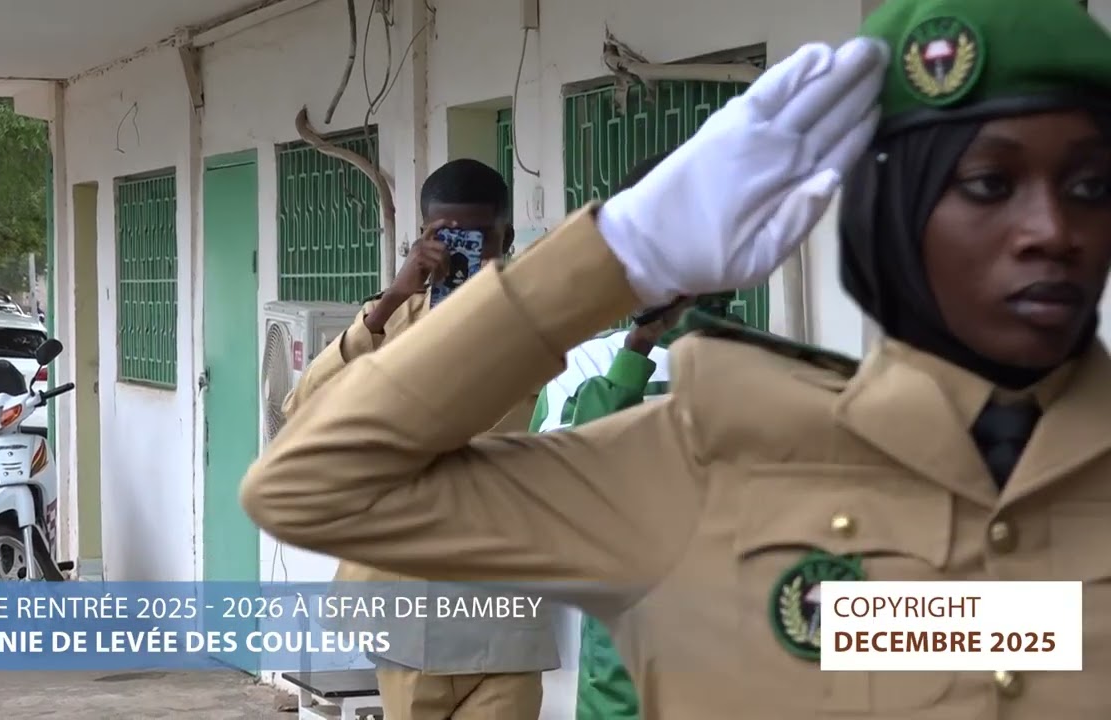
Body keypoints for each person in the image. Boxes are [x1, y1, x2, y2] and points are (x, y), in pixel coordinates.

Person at [243, 0, 1111, 715]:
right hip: (419, 602)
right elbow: (310, 481)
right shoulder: (714, 458)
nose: (1051, 234)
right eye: (988, 185)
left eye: (1092, 187)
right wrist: (624, 251)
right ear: (892, 220)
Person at [280, 157, 558, 720]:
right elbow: (302, 410)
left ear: (505, 237)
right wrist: (390, 301)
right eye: (446, 236)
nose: (463, 250)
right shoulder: (387, 323)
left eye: (478, 237)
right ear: (422, 238)